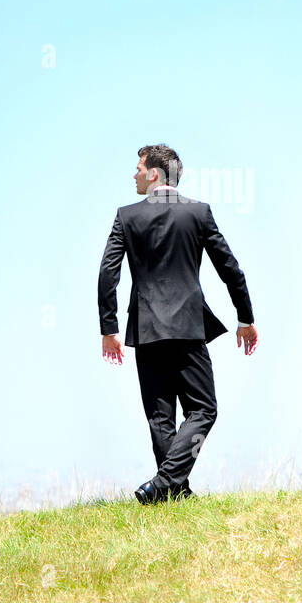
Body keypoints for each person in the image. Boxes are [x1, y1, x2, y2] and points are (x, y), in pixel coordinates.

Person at [98, 143, 258, 503]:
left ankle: (169, 489)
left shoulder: (126, 217)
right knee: (203, 409)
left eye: (138, 168)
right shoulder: (198, 213)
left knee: (160, 415)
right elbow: (230, 268)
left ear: (154, 173)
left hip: (146, 327)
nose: (134, 174)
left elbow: (108, 273)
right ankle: (169, 487)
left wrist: (108, 329)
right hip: (188, 326)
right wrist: (245, 317)